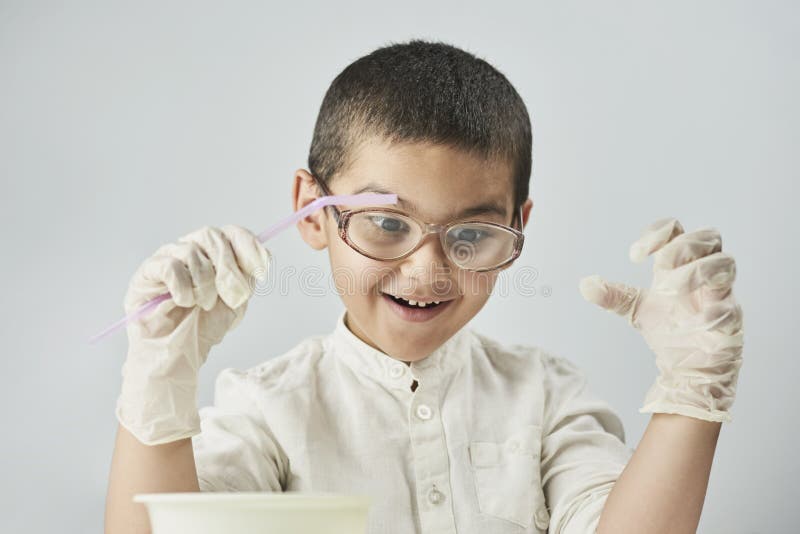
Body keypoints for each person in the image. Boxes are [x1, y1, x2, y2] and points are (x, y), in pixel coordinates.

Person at [104, 39, 744, 534]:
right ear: (313, 209)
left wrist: (691, 395)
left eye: (472, 234)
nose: (427, 271)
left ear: (518, 226)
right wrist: (159, 387)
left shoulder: (546, 397)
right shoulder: (267, 411)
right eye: (386, 223)